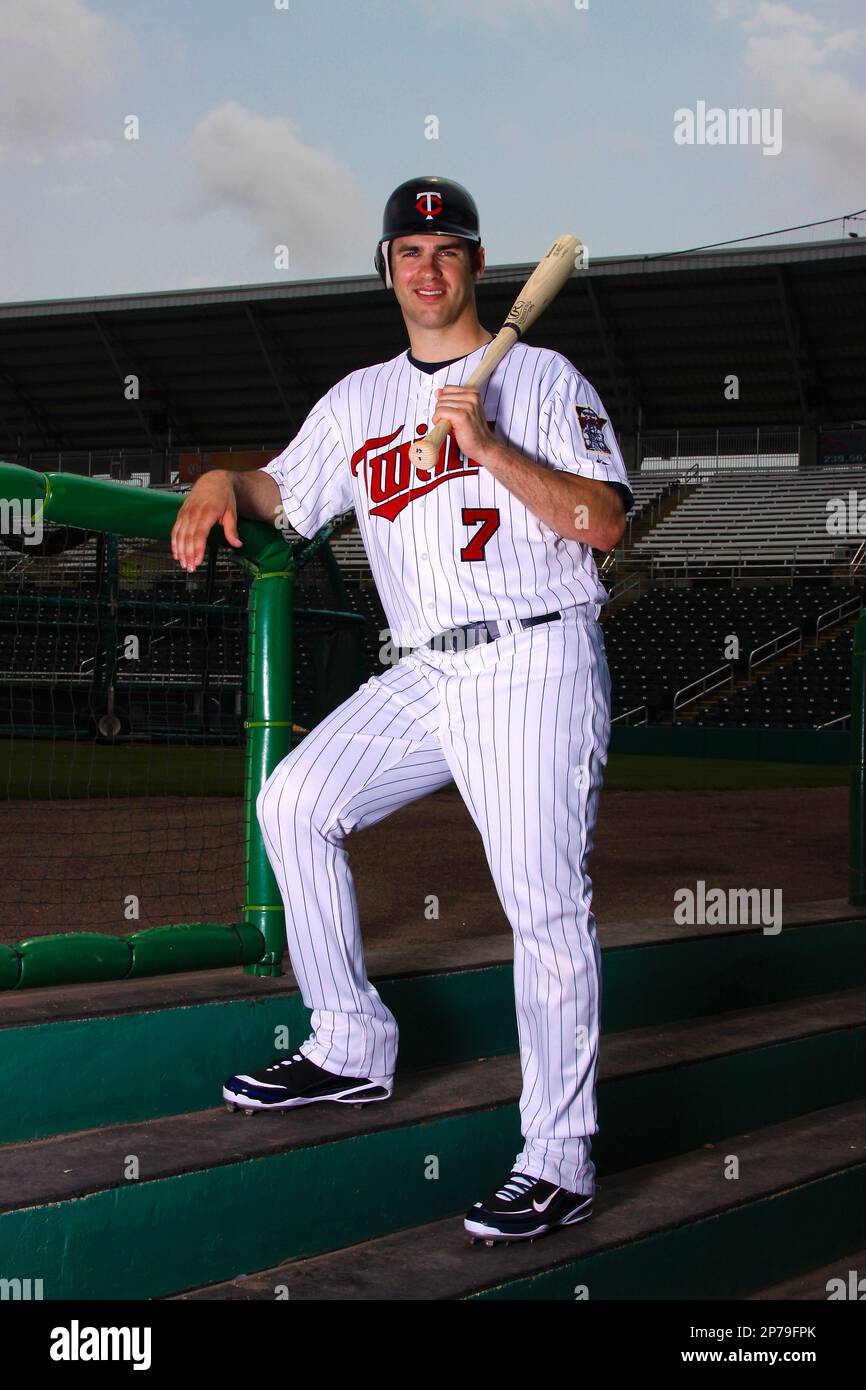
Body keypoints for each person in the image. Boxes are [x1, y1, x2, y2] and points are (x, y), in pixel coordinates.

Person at [170, 176, 632, 1245]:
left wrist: (493, 450)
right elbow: (280, 494)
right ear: (386, 268)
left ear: (475, 266)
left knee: (543, 907)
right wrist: (219, 481)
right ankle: (348, 1042)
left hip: (533, 656)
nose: (427, 269)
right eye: (408, 251)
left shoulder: (541, 373)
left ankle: (557, 1159)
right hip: (424, 669)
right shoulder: (356, 402)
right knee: (294, 801)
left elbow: (603, 523)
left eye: (447, 250)